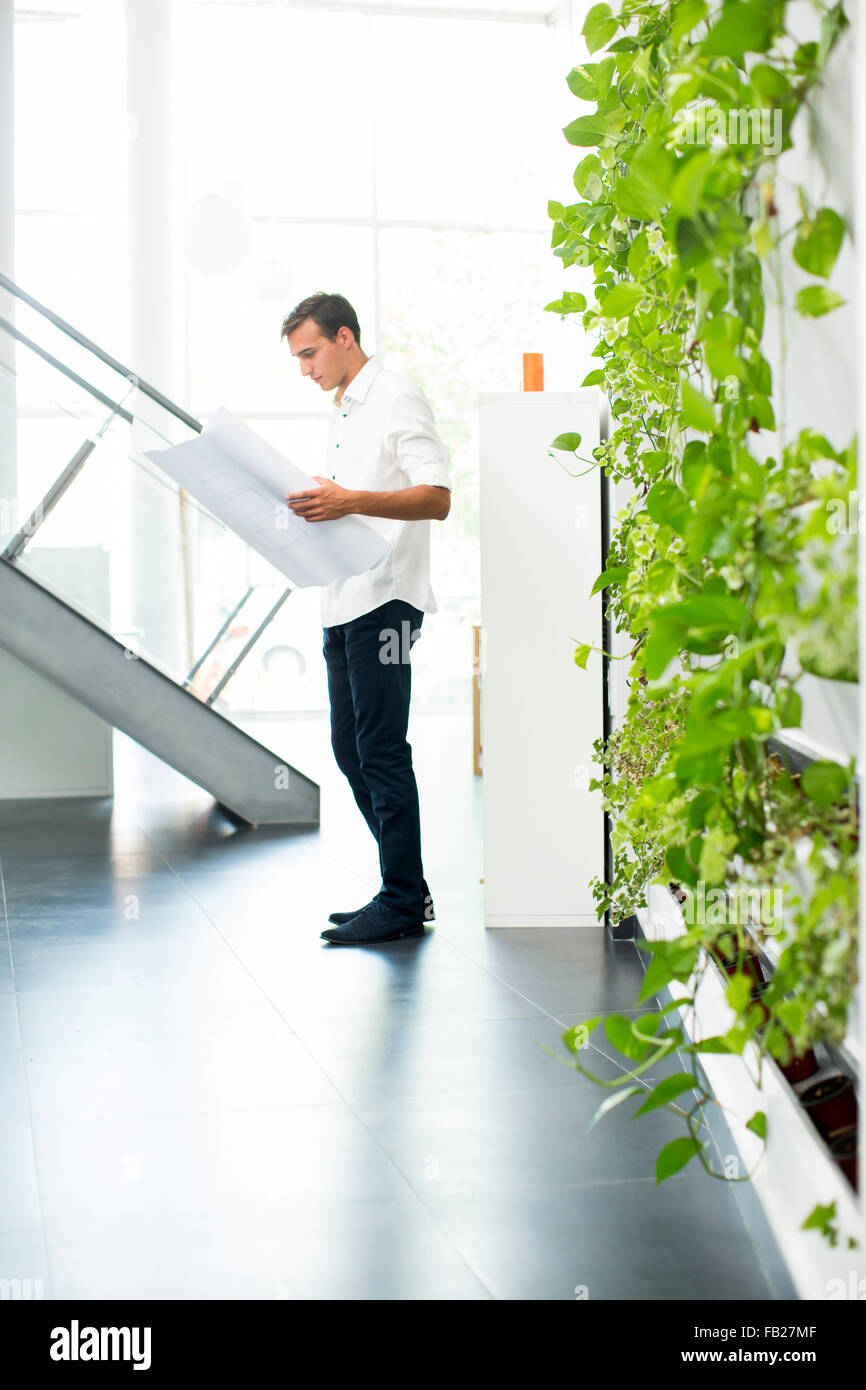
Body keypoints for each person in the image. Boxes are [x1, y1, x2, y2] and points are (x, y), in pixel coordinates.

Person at [281, 291, 452, 945]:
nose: (306, 370)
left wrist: (350, 499)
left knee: (380, 750)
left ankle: (403, 898)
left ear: (344, 337)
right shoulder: (344, 412)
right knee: (350, 749)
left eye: (310, 353)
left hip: (387, 602)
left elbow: (435, 498)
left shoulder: (396, 395)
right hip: (343, 599)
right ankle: (406, 887)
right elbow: (353, 505)